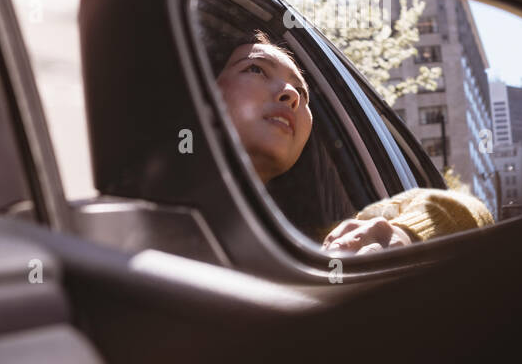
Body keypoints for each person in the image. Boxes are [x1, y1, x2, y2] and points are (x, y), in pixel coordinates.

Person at [208, 29, 494, 253]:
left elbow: (468, 212)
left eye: (302, 92)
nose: (291, 95)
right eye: (256, 69)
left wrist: (399, 235)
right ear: (201, 91)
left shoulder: (322, 244)